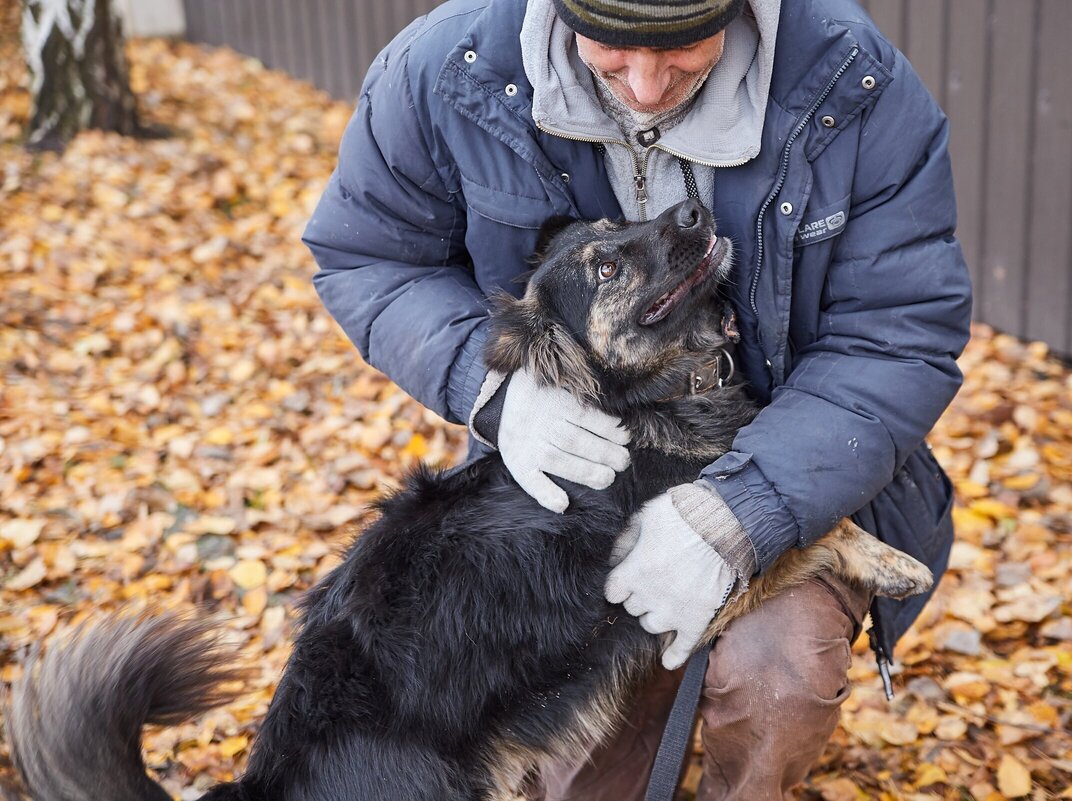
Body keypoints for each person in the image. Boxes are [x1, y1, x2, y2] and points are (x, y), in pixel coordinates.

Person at [303, 0, 973, 796]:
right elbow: (367, 255)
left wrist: (744, 513)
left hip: (803, 460)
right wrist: (492, 391)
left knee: (777, 678)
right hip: (567, 467)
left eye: (684, 48)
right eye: (613, 51)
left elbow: (898, 333)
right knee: (578, 742)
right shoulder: (452, 67)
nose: (649, 87)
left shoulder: (850, 79)